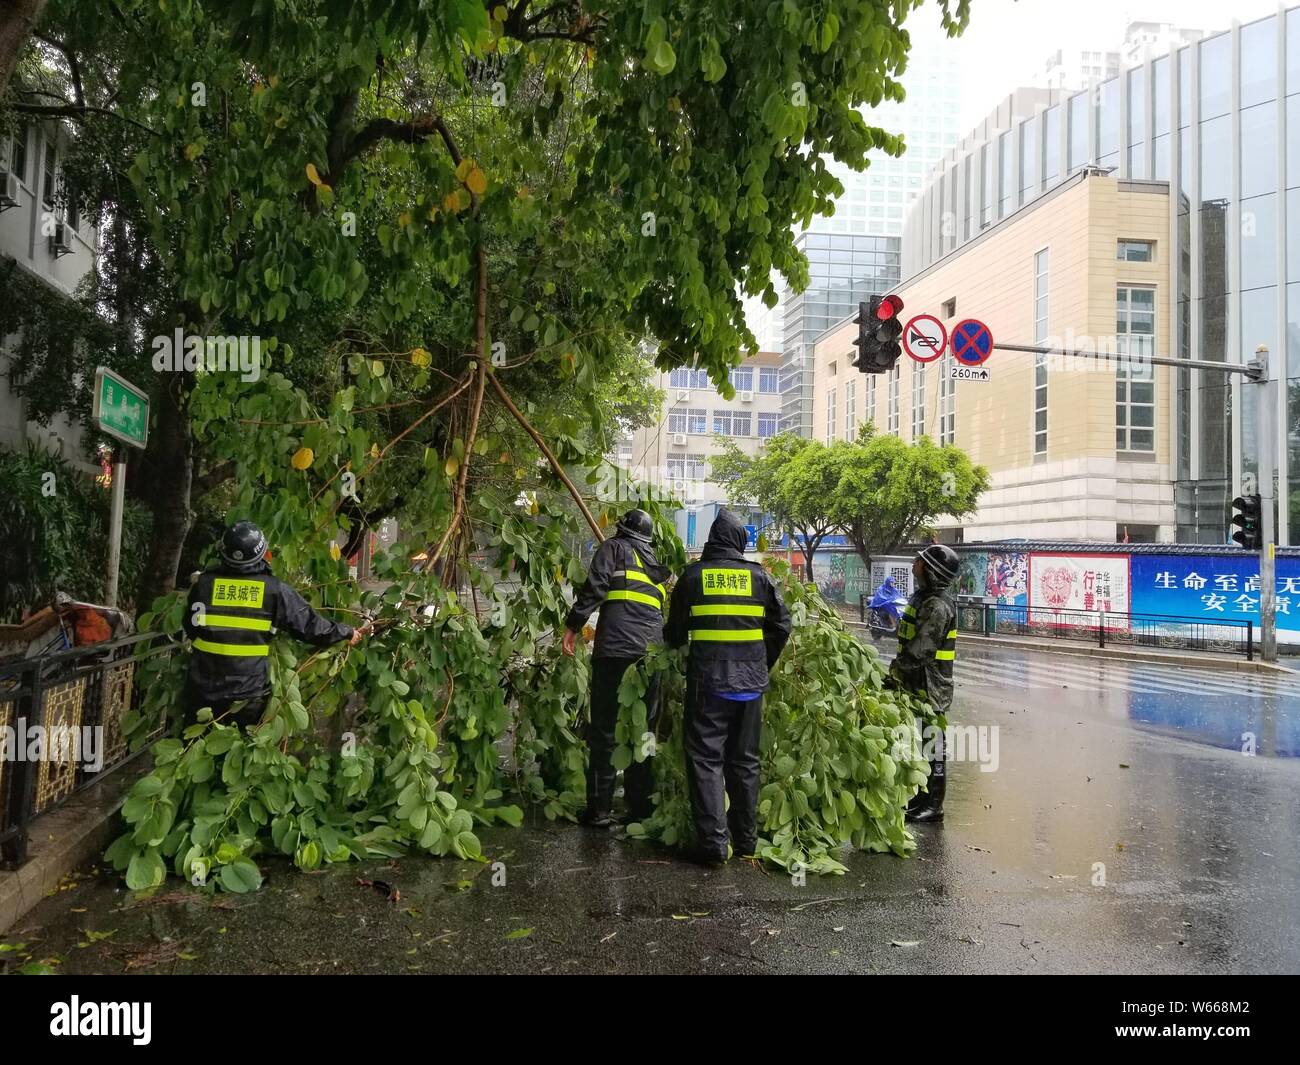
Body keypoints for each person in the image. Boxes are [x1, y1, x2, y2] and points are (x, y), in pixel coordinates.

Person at [665, 509, 791, 866]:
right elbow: (782, 626)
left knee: (705, 759)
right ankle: (747, 843)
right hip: (749, 688)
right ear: (739, 542)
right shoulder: (760, 578)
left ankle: (714, 846)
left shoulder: (693, 576)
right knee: (745, 763)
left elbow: (674, 633)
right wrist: (759, 665)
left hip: (708, 685)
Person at [182, 521, 371, 728]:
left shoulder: (203, 585)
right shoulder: (273, 590)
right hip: (247, 695)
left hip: (201, 690)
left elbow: (190, 628)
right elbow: (310, 627)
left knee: (197, 745)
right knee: (242, 754)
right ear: (262, 553)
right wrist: (346, 632)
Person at [562, 508, 671, 828]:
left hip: (615, 652)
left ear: (622, 530)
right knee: (645, 732)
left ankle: (599, 810)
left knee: (605, 729)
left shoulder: (612, 548)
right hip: (650, 657)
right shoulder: (656, 567)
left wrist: (572, 626)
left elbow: (595, 587)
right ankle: (641, 808)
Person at [886, 543, 960, 824]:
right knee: (923, 742)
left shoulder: (937, 606)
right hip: (916, 682)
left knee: (934, 744)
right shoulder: (923, 598)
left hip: (931, 685)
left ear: (932, 571)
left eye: (921, 562)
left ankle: (934, 805)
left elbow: (921, 649)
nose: (915, 564)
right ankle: (922, 797)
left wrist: (895, 672)